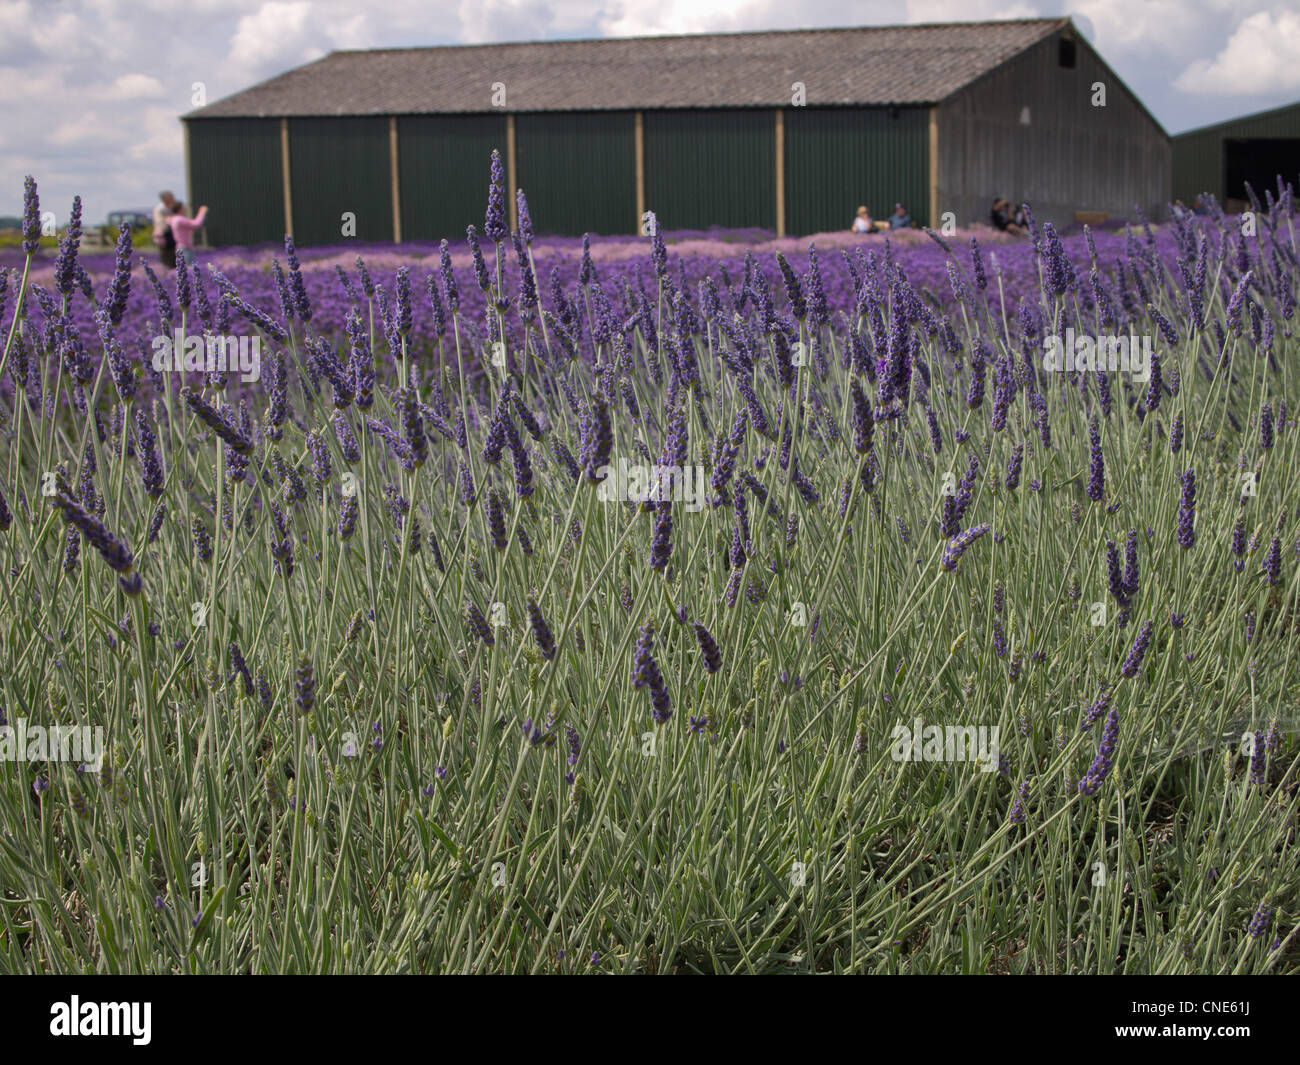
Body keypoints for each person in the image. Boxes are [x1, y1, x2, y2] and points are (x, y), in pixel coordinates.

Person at [167, 202, 208, 267]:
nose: (185, 209)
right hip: (185, 247)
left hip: (179, 246)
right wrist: (201, 213)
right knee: (190, 268)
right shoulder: (180, 219)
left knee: (183, 268)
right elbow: (196, 224)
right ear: (179, 209)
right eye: (183, 207)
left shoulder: (174, 219)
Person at [153, 189, 178, 268]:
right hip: (164, 234)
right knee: (166, 254)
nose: (174, 198)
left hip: (174, 233)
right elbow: (160, 222)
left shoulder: (173, 207)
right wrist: (170, 220)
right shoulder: (160, 209)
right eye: (171, 197)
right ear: (166, 199)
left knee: (174, 254)